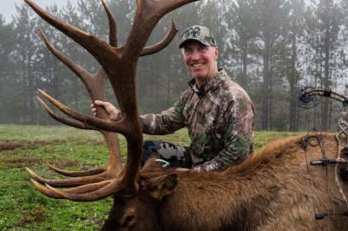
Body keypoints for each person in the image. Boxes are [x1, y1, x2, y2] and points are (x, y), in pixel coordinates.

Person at [92, 25, 254, 172]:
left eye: (202, 49)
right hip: (196, 163)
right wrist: (119, 116)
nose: (195, 57)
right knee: (148, 151)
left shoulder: (235, 98)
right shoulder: (191, 96)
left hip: (230, 179)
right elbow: (162, 122)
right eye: (188, 51)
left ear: (216, 52)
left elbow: (236, 157)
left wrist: (190, 176)